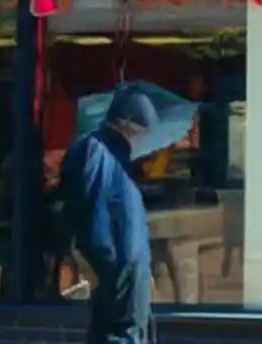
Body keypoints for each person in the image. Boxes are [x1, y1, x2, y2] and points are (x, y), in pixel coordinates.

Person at [60, 83, 163, 344]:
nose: (144, 135)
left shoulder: (112, 154)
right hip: (121, 269)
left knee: (126, 330)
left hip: (126, 269)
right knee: (120, 332)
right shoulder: (97, 150)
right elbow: (91, 211)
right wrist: (112, 262)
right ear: (127, 121)